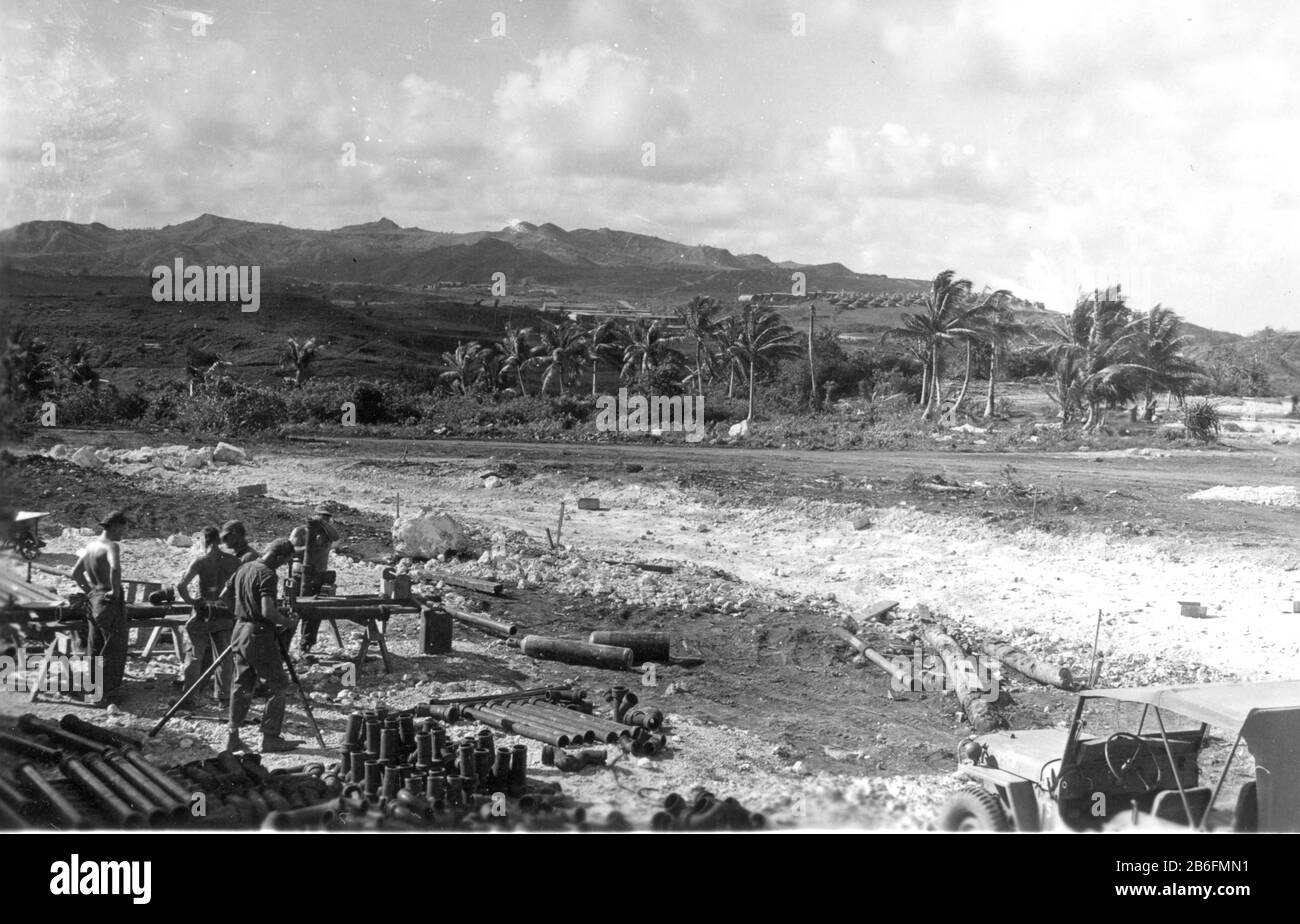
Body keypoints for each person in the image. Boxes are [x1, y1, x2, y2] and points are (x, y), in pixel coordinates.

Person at [221, 539, 302, 753]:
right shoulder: (267, 574)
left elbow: (224, 596)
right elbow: (267, 611)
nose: (284, 566)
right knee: (278, 685)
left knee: (241, 685)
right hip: (259, 635)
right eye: (284, 561)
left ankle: (232, 737)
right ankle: (270, 738)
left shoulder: (244, 567)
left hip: (239, 631)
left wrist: (244, 611)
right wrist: (287, 622)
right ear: (278, 557)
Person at [175, 526, 240, 707]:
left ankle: (189, 697)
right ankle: (224, 697)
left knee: (194, 656)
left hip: (204, 612)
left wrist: (192, 601)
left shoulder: (201, 561)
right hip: (225, 612)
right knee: (224, 656)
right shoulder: (233, 561)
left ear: (204, 541)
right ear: (218, 540)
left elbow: (182, 585)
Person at [70, 510, 130, 703]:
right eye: (122, 528)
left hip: (94, 600)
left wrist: (90, 591)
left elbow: (76, 573)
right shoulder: (111, 546)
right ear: (113, 526)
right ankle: (107, 694)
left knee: (94, 647)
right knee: (113, 647)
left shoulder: (91, 545)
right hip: (109, 601)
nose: (124, 532)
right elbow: (115, 568)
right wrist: (114, 590)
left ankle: (91, 689)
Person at [297, 508, 341, 654]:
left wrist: (323, 524)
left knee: (316, 611)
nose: (325, 520)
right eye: (322, 517)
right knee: (298, 609)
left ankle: (307, 644)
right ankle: (285, 644)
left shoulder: (327, 534)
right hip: (301, 574)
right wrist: (309, 547)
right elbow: (290, 549)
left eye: (328, 518)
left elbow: (336, 537)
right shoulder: (300, 531)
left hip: (320, 575)